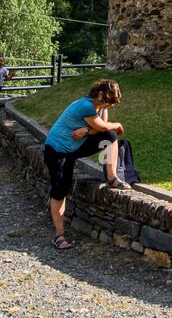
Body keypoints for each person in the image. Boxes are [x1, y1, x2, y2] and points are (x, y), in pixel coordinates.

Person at [44, 80, 128, 251]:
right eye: (108, 102)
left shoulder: (101, 107)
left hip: (74, 147)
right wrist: (117, 125)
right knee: (61, 190)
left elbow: (102, 129)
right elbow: (103, 125)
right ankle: (59, 235)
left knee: (110, 137)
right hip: (57, 151)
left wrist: (87, 131)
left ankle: (111, 178)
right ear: (99, 95)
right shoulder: (85, 105)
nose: (109, 106)